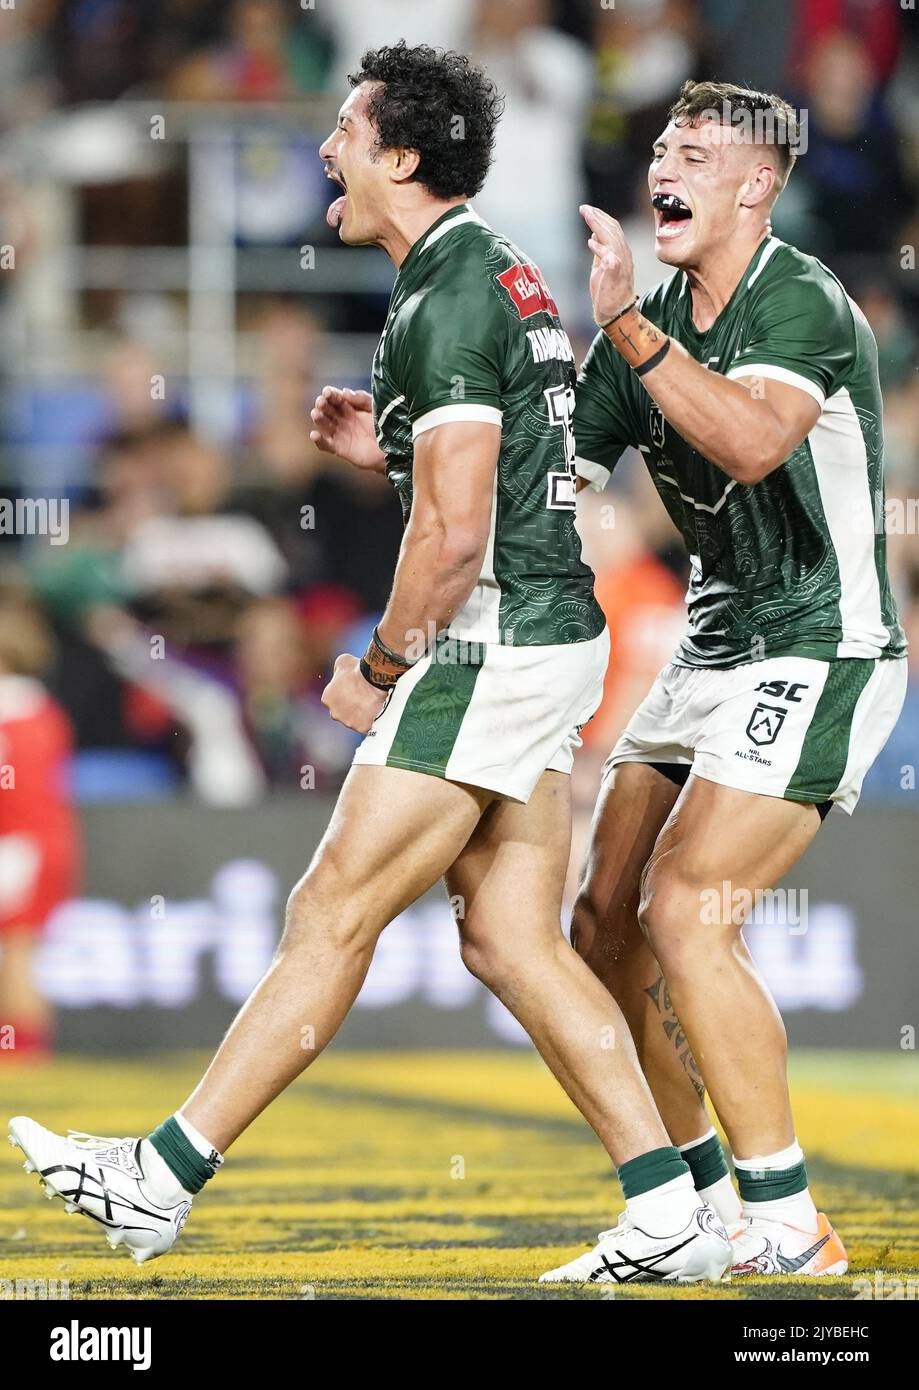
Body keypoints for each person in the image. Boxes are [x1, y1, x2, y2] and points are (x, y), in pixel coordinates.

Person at [9, 45, 731, 1287]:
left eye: (345, 129)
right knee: (511, 939)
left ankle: (160, 1178)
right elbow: (511, 481)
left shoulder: (447, 292)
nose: (326, 150)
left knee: (331, 906)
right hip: (544, 632)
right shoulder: (488, 270)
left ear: (401, 155)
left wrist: (382, 664)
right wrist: (393, 444)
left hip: (487, 642)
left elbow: (454, 535)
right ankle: (676, 1202)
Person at [549, 79, 907, 1280]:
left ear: (756, 184)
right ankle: (704, 1211)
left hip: (824, 639)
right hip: (711, 642)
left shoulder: (800, 299)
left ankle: (789, 1221)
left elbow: (753, 444)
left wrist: (631, 334)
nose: (665, 164)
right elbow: (552, 489)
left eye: (694, 151)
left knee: (688, 905)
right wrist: (408, 447)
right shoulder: (638, 322)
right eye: (659, 144)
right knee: (602, 926)